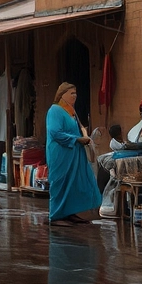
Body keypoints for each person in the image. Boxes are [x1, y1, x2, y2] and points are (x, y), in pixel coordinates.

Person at [46, 82, 101, 223]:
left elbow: (78, 128)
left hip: (74, 153)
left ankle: (70, 212)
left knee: (74, 183)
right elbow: (55, 132)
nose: (74, 96)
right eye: (71, 93)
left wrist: (84, 137)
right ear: (62, 95)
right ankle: (56, 216)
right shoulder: (55, 110)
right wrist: (76, 139)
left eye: (75, 93)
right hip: (61, 154)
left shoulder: (71, 111)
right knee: (61, 183)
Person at [97, 98, 142, 178]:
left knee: (115, 162)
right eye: (140, 110)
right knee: (104, 158)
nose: (141, 113)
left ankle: (117, 181)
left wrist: (135, 146)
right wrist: (131, 145)